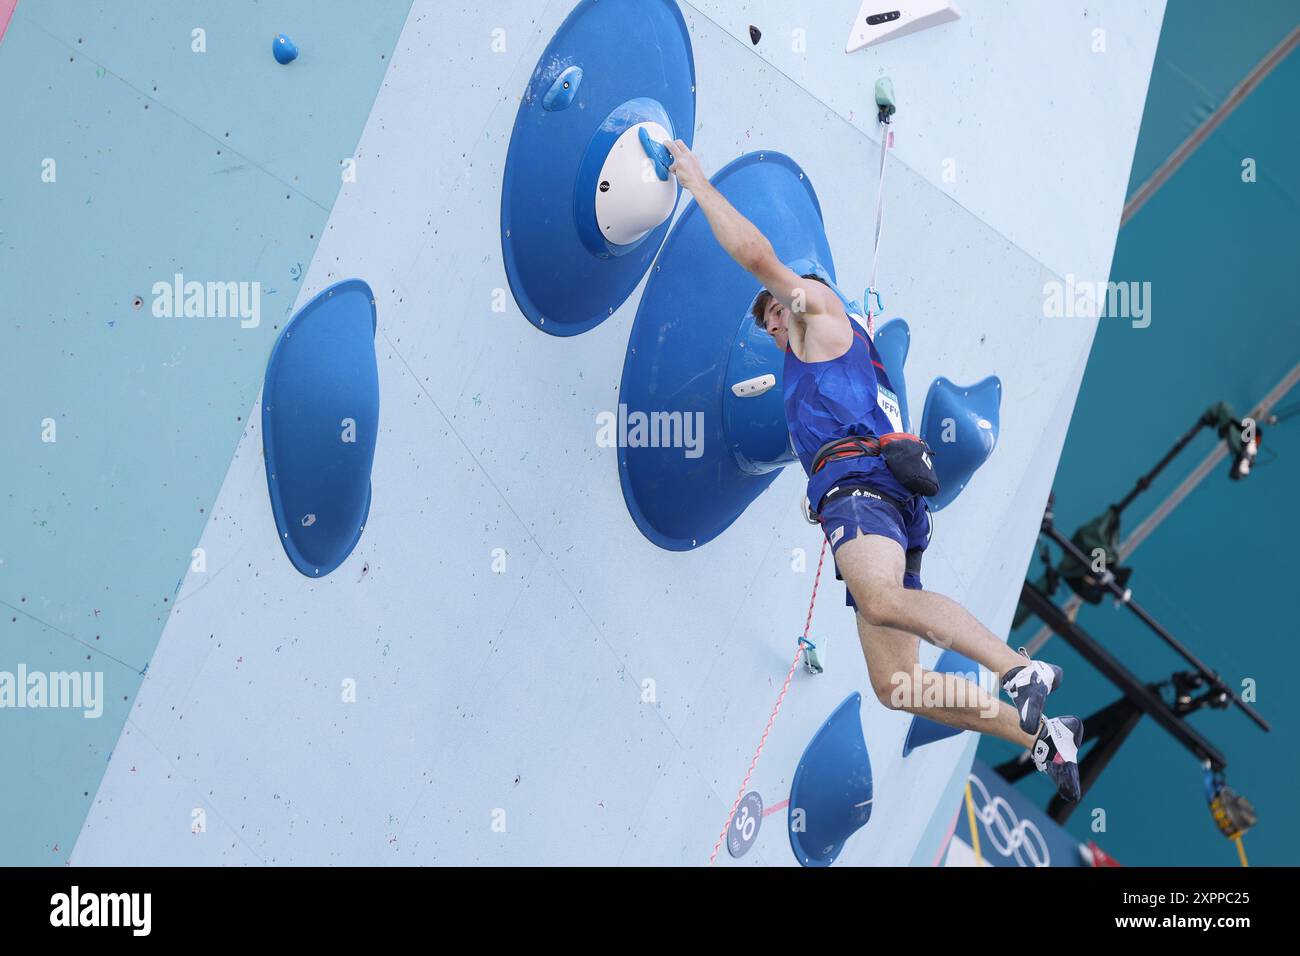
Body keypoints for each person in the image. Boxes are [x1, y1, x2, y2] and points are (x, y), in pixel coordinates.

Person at [662, 139, 1083, 801]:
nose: (774, 321)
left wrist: (698, 185)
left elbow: (757, 257)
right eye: (770, 320)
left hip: (862, 489)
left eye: (773, 309)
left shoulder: (817, 316)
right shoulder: (835, 349)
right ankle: (1041, 737)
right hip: (876, 496)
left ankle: (1018, 671)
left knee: (885, 602)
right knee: (897, 687)